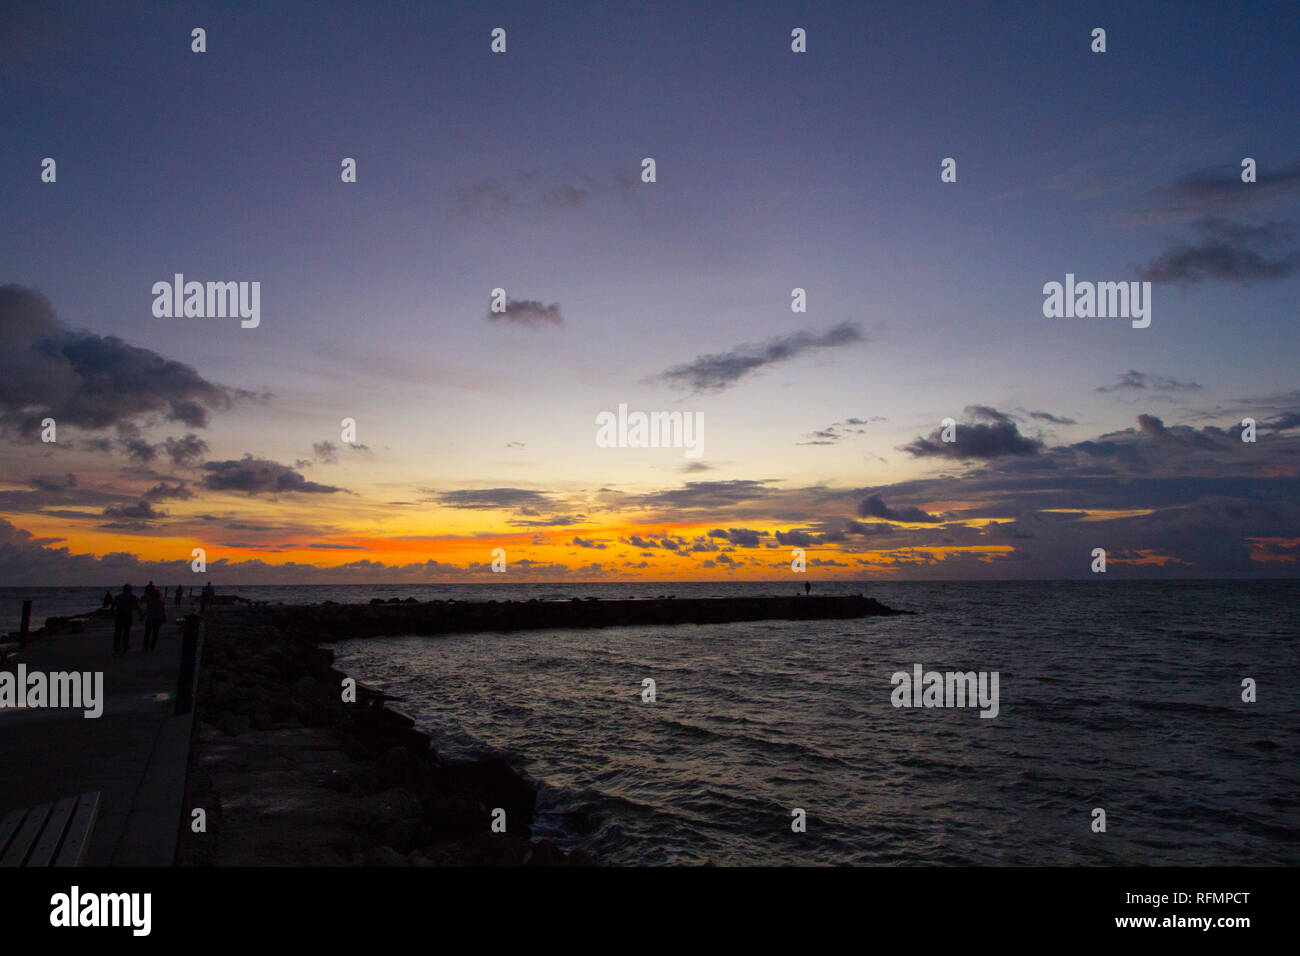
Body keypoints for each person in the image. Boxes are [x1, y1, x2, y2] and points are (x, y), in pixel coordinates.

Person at [112, 584, 142, 654]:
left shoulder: (118, 597)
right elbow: (137, 607)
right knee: (126, 632)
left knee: (118, 633)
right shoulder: (132, 597)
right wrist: (141, 615)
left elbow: (113, 607)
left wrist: (113, 614)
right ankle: (125, 646)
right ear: (130, 590)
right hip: (128, 616)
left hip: (119, 616)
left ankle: (117, 648)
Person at [143, 587, 167, 652]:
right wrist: (164, 617)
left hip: (150, 619)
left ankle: (146, 647)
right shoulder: (161, 602)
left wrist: (143, 616)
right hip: (157, 619)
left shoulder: (150, 602)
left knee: (147, 633)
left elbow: (147, 611)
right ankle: (152, 647)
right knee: (155, 634)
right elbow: (162, 611)